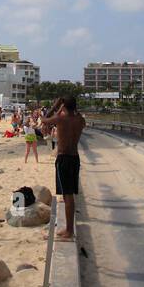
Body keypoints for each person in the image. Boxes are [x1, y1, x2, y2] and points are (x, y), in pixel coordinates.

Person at [42, 96, 86, 241]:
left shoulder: (60, 119)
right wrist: (66, 107)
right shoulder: (80, 120)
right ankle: (68, 229)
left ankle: (69, 231)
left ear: (63, 107)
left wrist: (56, 107)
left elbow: (44, 120)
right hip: (75, 158)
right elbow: (76, 115)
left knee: (67, 196)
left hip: (63, 159)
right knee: (70, 194)